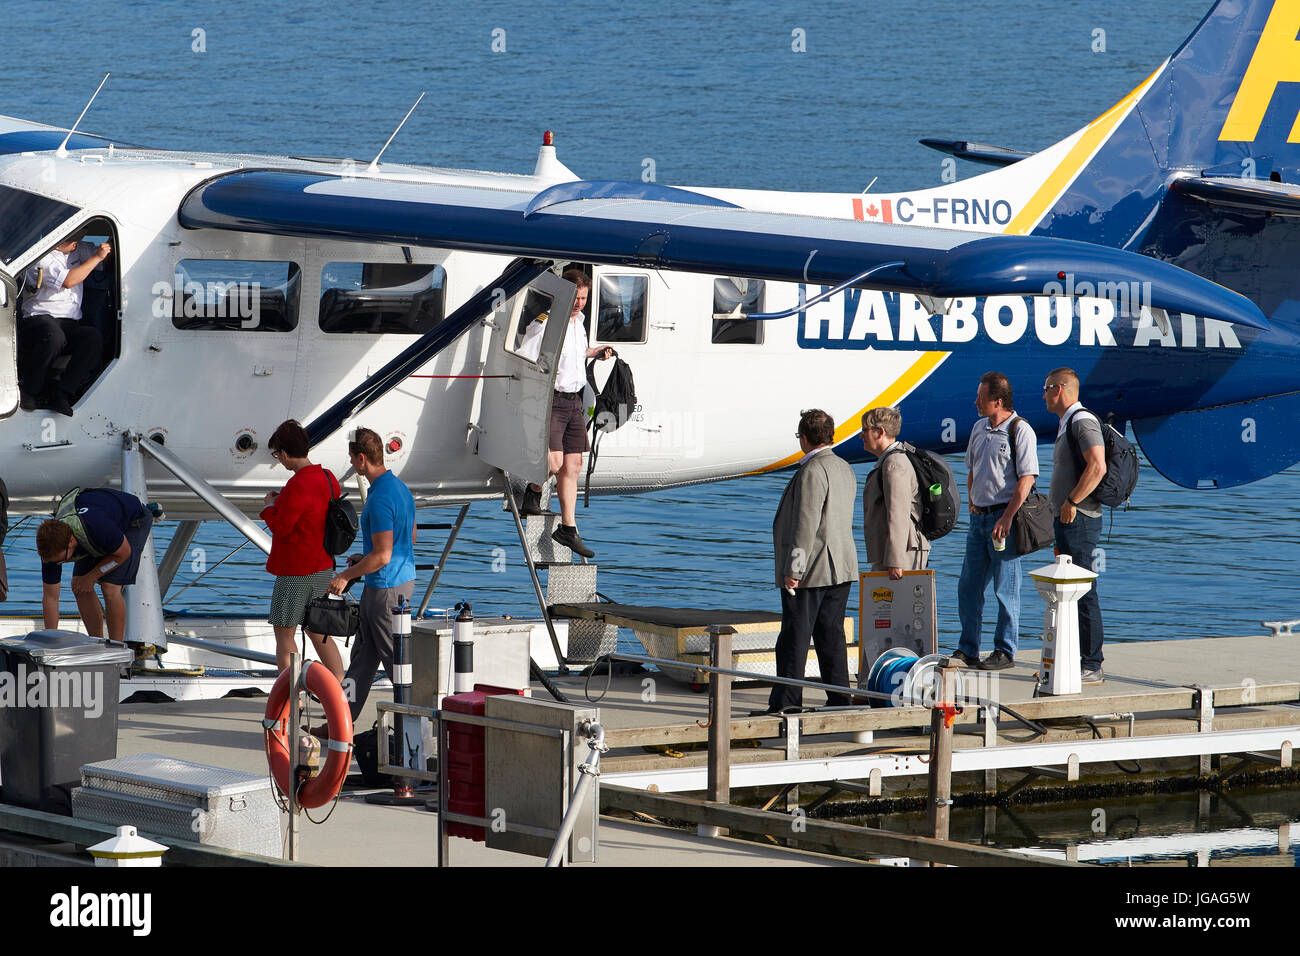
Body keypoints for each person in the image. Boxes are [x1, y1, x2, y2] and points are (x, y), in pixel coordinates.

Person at [764, 409, 859, 714]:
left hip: (813, 570)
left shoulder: (811, 471)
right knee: (831, 636)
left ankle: (787, 704)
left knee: (794, 636)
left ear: (804, 438)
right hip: (842, 566)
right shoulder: (844, 467)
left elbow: (805, 525)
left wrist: (794, 569)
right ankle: (840, 699)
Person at [518, 269, 613, 559]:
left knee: (572, 466)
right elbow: (525, 353)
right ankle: (533, 491)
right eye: (575, 297)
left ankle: (568, 529)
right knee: (555, 462)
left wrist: (594, 352)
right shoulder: (546, 321)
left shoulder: (580, 323)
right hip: (552, 399)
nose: (579, 303)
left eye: (583, 298)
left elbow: (575, 352)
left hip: (573, 401)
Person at [328, 427, 417, 721]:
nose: (352, 463)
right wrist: (364, 558)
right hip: (391, 583)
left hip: (386, 591)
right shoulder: (400, 489)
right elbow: (410, 536)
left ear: (362, 459)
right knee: (361, 662)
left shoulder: (379, 498)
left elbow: (383, 555)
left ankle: (416, 725)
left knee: (396, 663)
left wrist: (346, 574)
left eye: (352, 458)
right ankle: (341, 721)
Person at [955, 372, 1038, 671]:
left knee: (1005, 588)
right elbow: (972, 469)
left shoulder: (1020, 430)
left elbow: (1026, 479)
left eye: (981, 396)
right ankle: (968, 649)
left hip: (1005, 520)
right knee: (968, 586)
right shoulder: (979, 428)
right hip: (979, 520)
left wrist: (1006, 517)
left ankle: (1005, 650)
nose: (975, 400)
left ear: (997, 401)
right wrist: (971, 502)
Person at [261, 420, 345, 682]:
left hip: (296, 570)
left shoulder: (298, 485)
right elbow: (313, 512)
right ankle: (338, 686)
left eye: (278, 454)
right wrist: (282, 499)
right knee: (317, 629)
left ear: (285, 453)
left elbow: (282, 527)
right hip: (323, 566)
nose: (279, 459)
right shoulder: (328, 478)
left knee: (284, 632)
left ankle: (290, 694)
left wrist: (269, 508)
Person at [1043, 367, 1108, 684]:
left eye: (1046, 389)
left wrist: (1072, 502)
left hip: (1079, 520)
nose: (1043, 395)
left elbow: (1098, 465)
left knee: (1084, 591)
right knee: (1067, 590)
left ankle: (1092, 663)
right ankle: (1074, 658)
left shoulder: (1082, 421)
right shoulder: (1067, 422)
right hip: (1067, 519)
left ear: (1059, 389)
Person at [36, 487, 154, 644]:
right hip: (97, 525)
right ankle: (96, 642)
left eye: (61, 560)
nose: (58, 564)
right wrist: (49, 641)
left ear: (71, 542)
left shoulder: (97, 527)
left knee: (109, 586)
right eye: (54, 562)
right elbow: (50, 597)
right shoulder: (50, 550)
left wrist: (92, 576)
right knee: (79, 586)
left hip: (132, 522)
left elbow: (123, 553)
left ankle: (116, 649)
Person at [19, 232, 110, 416]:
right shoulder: (39, 257)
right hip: (38, 319)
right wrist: (97, 257)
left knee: (92, 337)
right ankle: (30, 390)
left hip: (69, 322)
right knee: (54, 337)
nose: (77, 242)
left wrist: (108, 248)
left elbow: (105, 260)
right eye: (72, 238)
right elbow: (69, 281)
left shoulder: (78, 249)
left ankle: (62, 393)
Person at [860, 406, 929, 579]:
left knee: (896, 605)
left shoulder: (894, 465)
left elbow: (898, 514)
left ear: (880, 432)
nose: (861, 435)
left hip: (900, 555)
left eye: (864, 430)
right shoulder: (891, 461)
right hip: (895, 551)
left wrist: (895, 561)